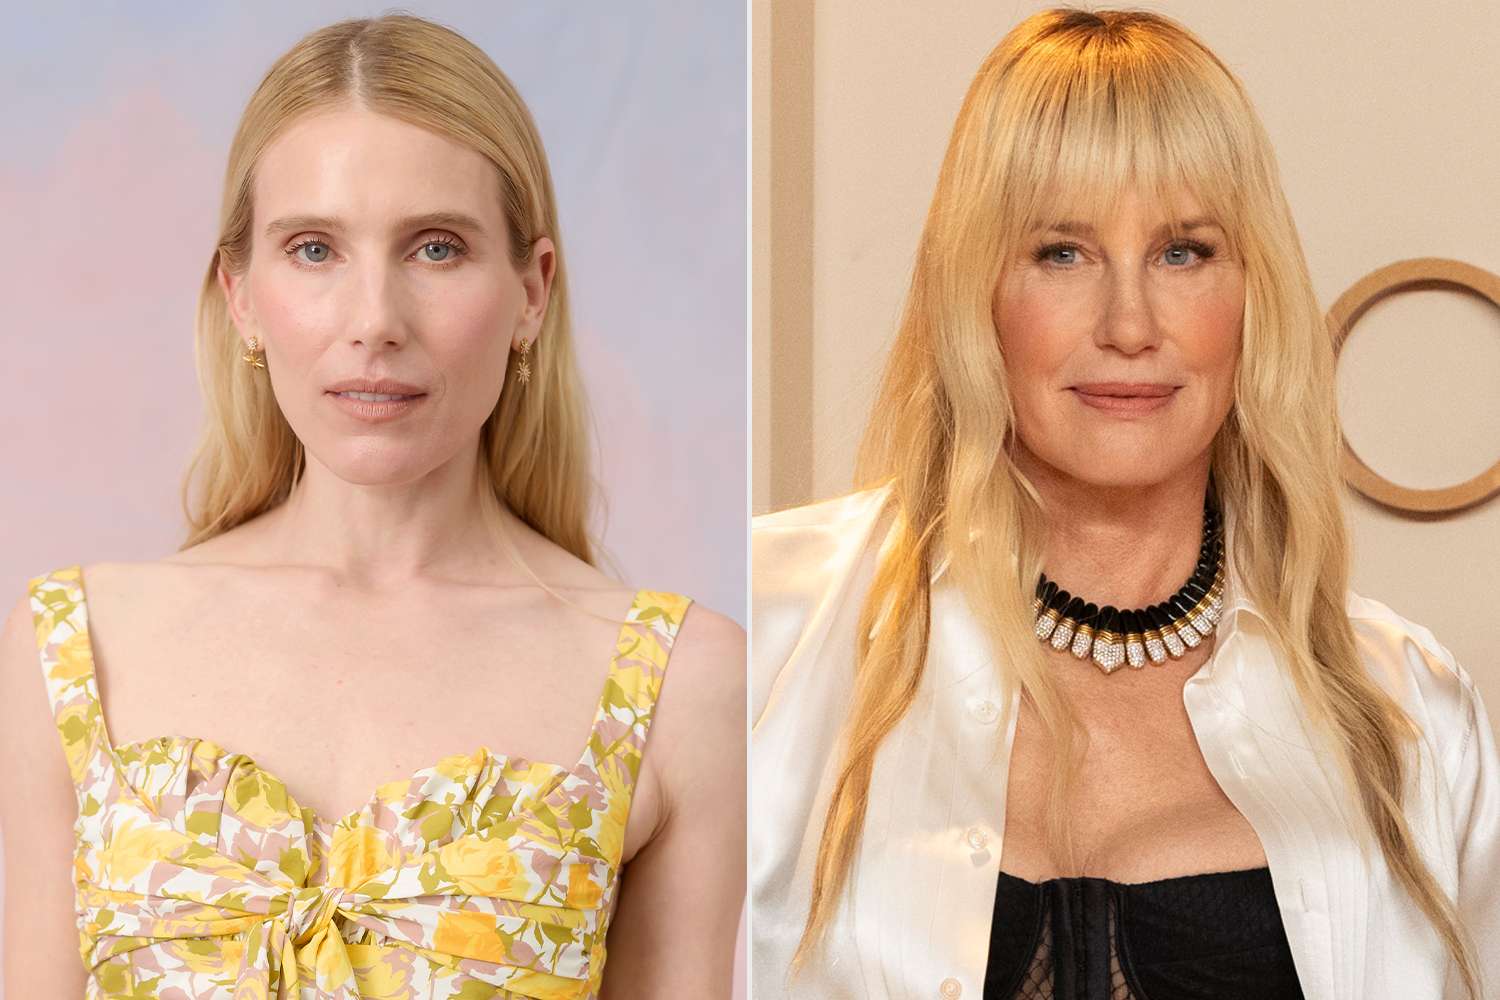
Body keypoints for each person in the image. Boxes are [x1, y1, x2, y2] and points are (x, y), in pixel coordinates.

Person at [751, 8, 1497, 1000]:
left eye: (1183, 252)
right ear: (974, 291)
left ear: (1253, 292)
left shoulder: (1412, 713)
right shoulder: (765, 628)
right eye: (1062, 252)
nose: (1131, 325)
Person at [0, 14, 745, 998]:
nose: (374, 321)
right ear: (240, 294)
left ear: (531, 291)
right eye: (315, 249)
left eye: (436, 248)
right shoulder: (71, 646)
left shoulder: (682, 684)